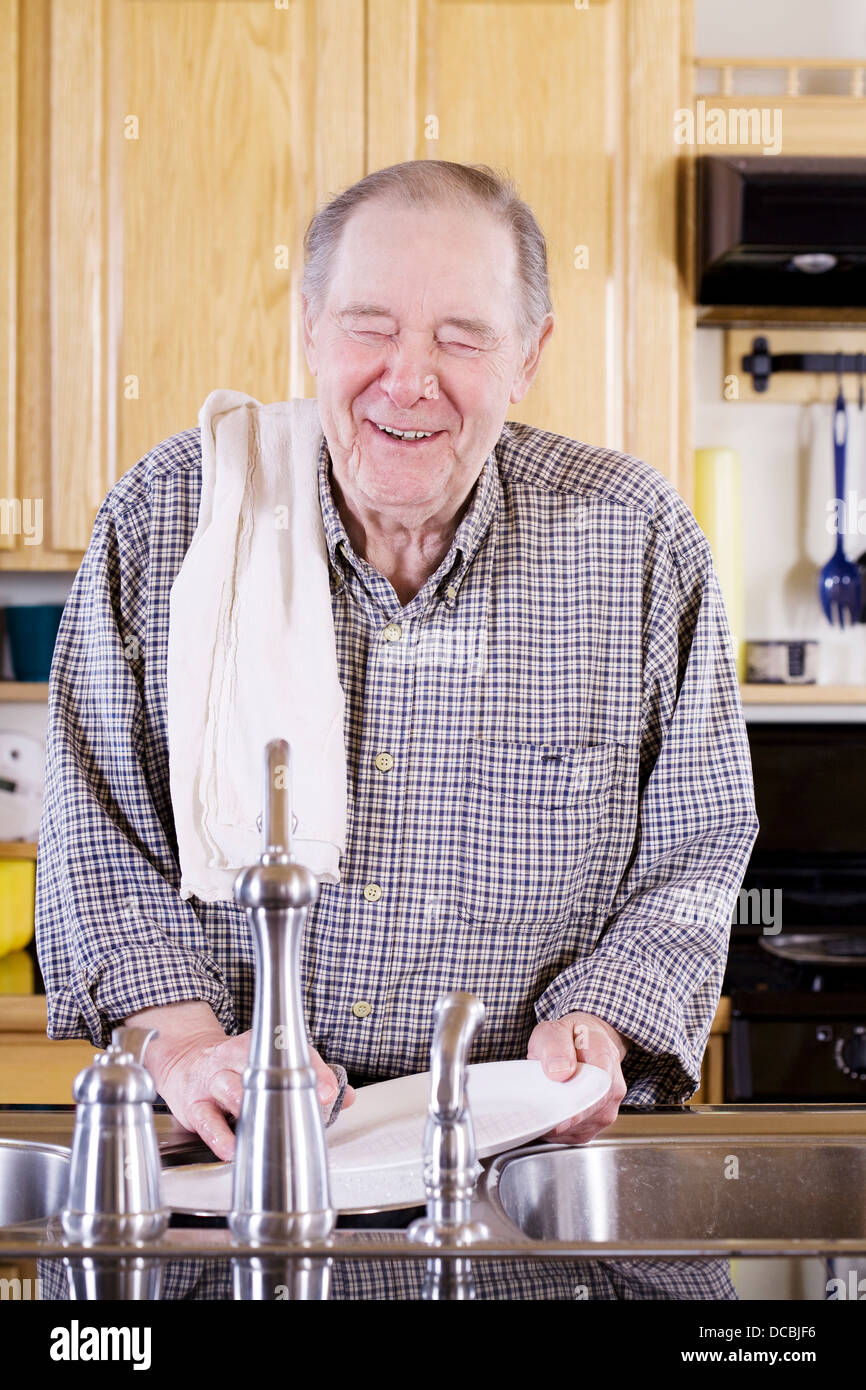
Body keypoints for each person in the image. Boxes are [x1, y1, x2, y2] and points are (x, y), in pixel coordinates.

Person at [36, 160, 758, 1300]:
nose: (406, 379)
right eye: (368, 326)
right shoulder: (170, 515)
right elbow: (92, 828)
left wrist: (601, 1019)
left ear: (528, 355)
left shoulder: (634, 541)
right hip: (235, 1182)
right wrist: (185, 1048)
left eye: (462, 338)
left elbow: (696, 842)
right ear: (309, 329)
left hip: (523, 1184)